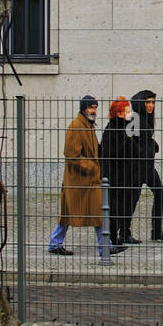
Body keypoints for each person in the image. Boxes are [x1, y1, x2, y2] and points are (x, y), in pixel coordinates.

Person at [52, 94, 123, 257]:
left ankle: (56, 243)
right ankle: (104, 246)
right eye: (91, 107)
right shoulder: (76, 126)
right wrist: (92, 167)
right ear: (84, 108)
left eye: (96, 107)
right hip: (79, 179)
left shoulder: (88, 125)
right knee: (73, 213)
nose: (94, 110)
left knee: (93, 212)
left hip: (88, 179)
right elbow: (71, 155)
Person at [131, 89, 163, 242]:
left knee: (160, 192)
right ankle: (124, 232)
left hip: (148, 166)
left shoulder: (146, 118)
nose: (151, 105)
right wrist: (144, 148)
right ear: (140, 103)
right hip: (137, 167)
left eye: (152, 102)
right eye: (147, 102)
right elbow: (130, 140)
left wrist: (151, 143)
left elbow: (142, 137)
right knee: (132, 199)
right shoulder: (135, 118)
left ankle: (156, 231)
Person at [100, 96, 140, 248]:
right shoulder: (113, 130)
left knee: (120, 207)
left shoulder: (123, 129)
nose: (130, 114)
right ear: (119, 113)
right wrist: (128, 141)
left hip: (122, 176)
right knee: (114, 208)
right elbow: (113, 153)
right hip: (114, 177)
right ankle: (111, 240)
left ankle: (116, 237)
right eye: (127, 111)